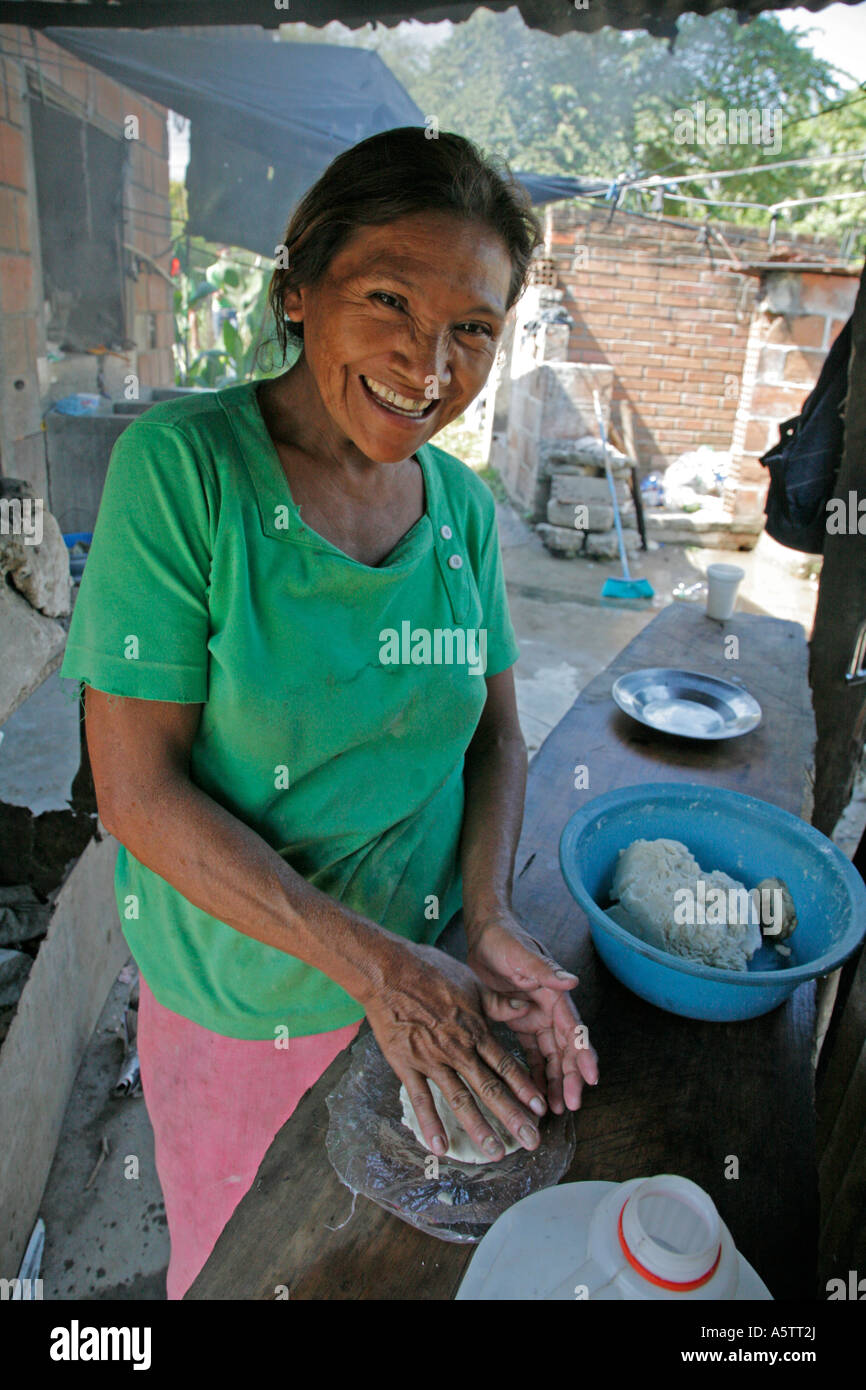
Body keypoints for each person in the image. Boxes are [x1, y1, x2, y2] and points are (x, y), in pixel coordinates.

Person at [60, 126, 599, 1299]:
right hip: (251, 1005)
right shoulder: (186, 472)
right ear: (297, 293)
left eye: (472, 329)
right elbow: (136, 793)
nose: (427, 363)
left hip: (434, 965)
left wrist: (490, 916)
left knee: (402, 1265)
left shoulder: (456, 505)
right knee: (261, 1270)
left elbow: (496, 732)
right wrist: (378, 972)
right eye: (388, 299)